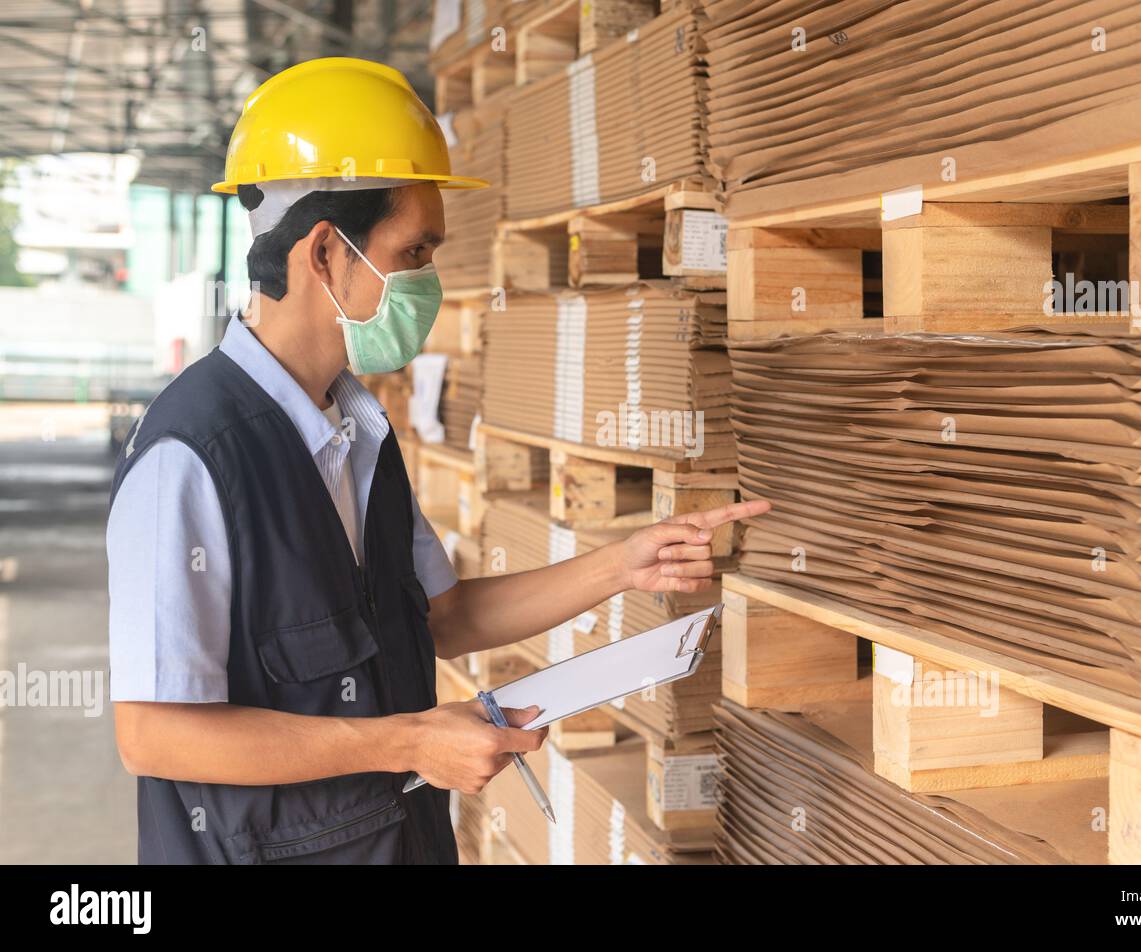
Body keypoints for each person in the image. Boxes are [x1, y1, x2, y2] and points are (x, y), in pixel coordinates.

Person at [106, 56, 768, 864]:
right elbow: (153, 736)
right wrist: (410, 741)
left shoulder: (358, 432)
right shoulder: (193, 456)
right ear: (324, 254)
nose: (428, 280)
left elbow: (441, 619)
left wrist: (625, 565)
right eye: (415, 252)